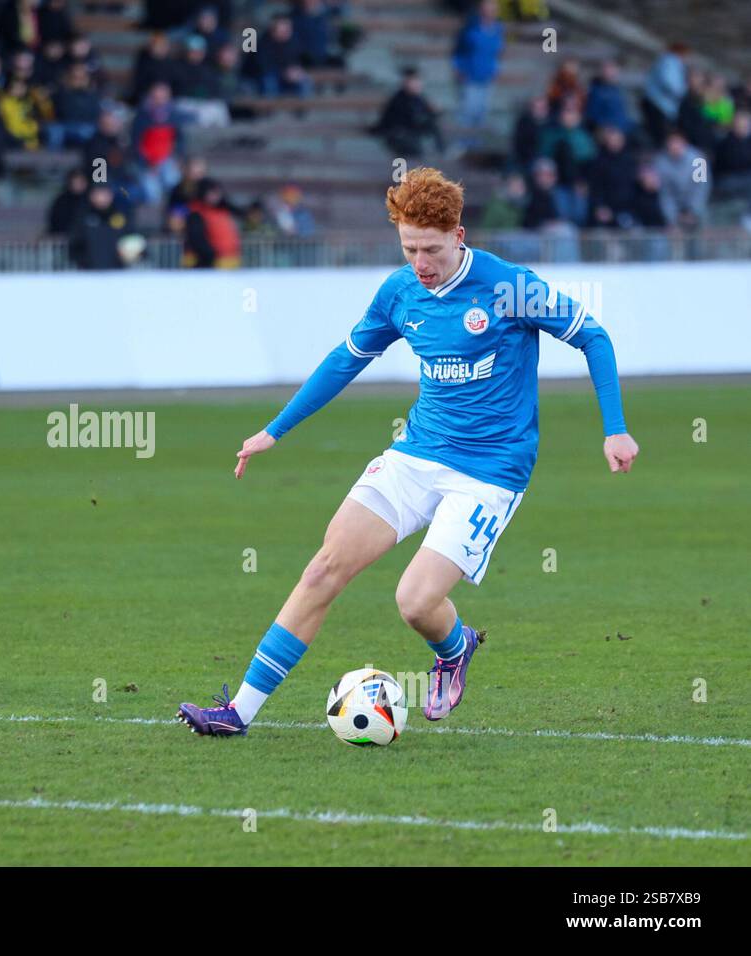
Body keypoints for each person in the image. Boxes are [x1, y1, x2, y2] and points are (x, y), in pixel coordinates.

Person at [178, 166, 637, 735]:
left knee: (415, 602)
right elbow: (346, 358)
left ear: (459, 236)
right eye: (409, 247)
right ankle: (236, 713)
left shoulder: (508, 286)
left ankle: (453, 648)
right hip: (416, 455)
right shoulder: (399, 293)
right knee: (323, 569)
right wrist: (277, 429)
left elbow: (593, 334)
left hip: (490, 472)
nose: (420, 263)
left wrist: (614, 427)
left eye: (431, 249)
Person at [451, 0, 504, 147]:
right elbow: (458, 51)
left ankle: (476, 147)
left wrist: (496, 69)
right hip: (470, 77)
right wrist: (458, 69)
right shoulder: (470, 28)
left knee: (482, 114)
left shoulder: (498, 29)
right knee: (467, 113)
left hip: (487, 77)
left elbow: (497, 53)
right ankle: (462, 145)